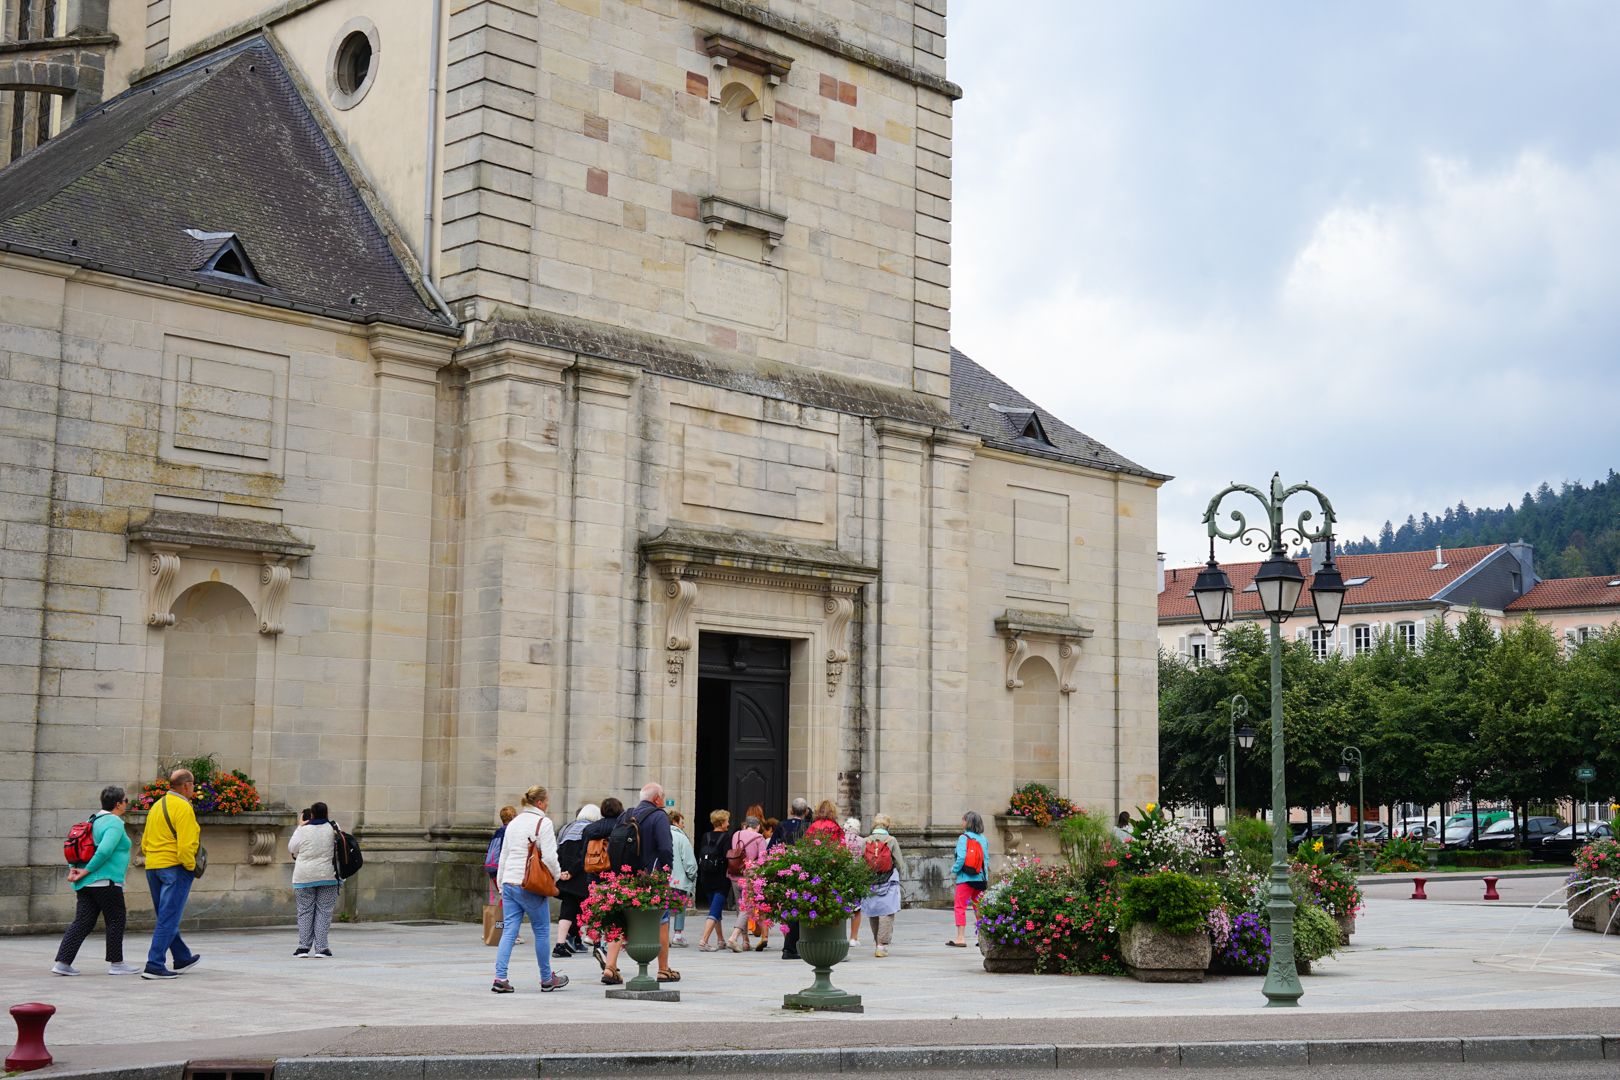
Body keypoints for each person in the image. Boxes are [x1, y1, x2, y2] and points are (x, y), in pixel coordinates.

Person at [53, 785, 138, 975]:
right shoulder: (114, 822)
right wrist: (86, 871)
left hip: (86, 883)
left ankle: (62, 963)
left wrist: (74, 870)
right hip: (106, 881)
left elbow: (74, 847)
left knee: (82, 922)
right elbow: (105, 851)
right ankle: (117, 964)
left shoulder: (91, 820)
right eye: (125, 801)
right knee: (116, 919)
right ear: (118, 804)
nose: (127, 804)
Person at [491, 785, 568, 993]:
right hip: (530, 883)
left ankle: (500, 977)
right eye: (547, 801)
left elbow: (504, 854)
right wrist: (555, 877)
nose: (548, 804)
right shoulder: (543, 822)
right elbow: (550, 856)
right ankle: (546, 978)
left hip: (509, 881)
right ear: (540, 803)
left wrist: (501, 882)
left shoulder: (514, 823)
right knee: (541, 931)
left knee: (509, 931)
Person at [601, 782, 677, 986]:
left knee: (619, 918)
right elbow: (665, 848)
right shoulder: (659, 816)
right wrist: (666, 871)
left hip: (625, 875)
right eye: (663, 796)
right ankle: (663, 969)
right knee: (661, 918)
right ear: (657, 799)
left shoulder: (626, 815)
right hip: (650, 877)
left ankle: (610, 967)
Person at [141, 768, 202, 979]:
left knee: (165, 915)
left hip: (153, 866)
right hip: (175, 867)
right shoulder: (184, 807)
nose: (194, 789)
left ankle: (182, 957)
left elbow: (145, 842)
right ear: (186, 785)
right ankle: (154, 964)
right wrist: (190, 867)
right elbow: (186, 846)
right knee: (168, 917)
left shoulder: (157, 805)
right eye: (193, 785)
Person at [287, 801, 342, 958]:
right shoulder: (333, 827)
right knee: (324, 912)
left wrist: (300, 826)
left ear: (310, 814)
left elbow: (292, 848)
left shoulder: (303, 830)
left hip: (303, 877)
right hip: (328, 876)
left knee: (304, 911)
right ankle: (322, 949)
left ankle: (303, 948)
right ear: (326, 813)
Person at [579, 796, 624, 968]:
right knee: (614, 915)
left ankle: (597, 943)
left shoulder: (590, 829)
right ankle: (605, 948)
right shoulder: (622, 827)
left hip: (594, 875)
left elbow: (583, 852)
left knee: (598, 911)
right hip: (614, 875)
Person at [554, 802, 601, 957]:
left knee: (568, 909)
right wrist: (572, 872)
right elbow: (584, 855)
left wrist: (561, 872)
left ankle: (560, 944)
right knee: (592, 908)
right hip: (581, 876)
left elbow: (558, 851)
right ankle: (595, 943)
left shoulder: (566, 828)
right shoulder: (591, 830)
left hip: (565, 876)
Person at [860, 814, 904, 958]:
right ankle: (881, 945)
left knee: (873, 911)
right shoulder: (891, 840)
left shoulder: (866, 841)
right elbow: (899, 863)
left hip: (870, 881)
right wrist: (899, 876)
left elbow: (860, 861)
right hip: (888, 880)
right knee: (887, 912)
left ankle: (877, 942)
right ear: (887, 826)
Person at [723, 814, 768, 952]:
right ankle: (733, 938)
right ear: (758, 826)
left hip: (734, 874)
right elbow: (763, 860)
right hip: (749, 875)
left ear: (746, 824)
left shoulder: (736, 834)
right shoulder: (759, 838)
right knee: (747, 907)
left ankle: (745, 941)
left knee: (740, 907)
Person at [773, 798, 811, 959]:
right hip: (803, 872)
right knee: (797, 909)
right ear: (806, 812)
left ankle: (791, 946)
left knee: (789, 908)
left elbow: (772, 848)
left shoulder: (782, 825)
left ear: (791, 810)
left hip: (784, 871)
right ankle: (790, 948)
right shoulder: (808, 827)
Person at [947, 809, 990, 947]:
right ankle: (982, 938)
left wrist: (953, 870)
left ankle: (960, 938)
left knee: (960, 907)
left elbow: (961, 858)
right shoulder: (983, 839)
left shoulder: (963, 838)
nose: (962, 822)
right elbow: (986, 860)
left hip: (965, 878)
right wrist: (985, 878)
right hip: (980, 879)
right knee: (980, 907)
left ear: (968, 822)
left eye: (963, 820)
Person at [695, 809, 733, 951]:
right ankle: (703, 941)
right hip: (721, 878)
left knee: (715, 909)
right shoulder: (726, 837)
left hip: (706, 877)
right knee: (715, 910)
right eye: (727, 821)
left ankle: (720, 939)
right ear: (722, 822)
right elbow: (728, 857)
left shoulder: (706, 836)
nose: (728, 824)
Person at [668, 810, 698, 947]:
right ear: (675, 822)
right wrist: (692, 876)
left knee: (664, 908)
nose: (683, 825)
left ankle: (663, 935)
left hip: (663, 878)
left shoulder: (660, 835)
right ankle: (678, 935)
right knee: (680, 907)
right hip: (679, 880)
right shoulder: (682, 837)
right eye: (682, 822)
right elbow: (689, 861)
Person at [843, 816, 865, 946]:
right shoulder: (862, 841)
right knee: (856, 908)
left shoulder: (840, 840)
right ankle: (853, 938)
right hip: (856, 877)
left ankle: (841, 936)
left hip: (841, 877)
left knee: (840, 906)